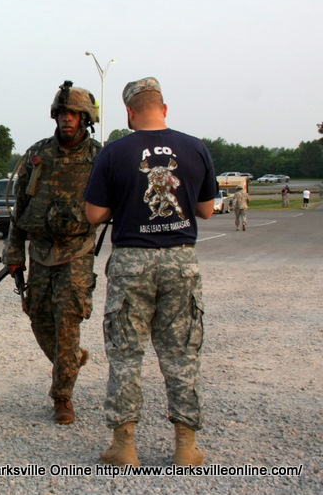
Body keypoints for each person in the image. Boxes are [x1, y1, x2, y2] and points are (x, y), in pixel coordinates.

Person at [84, 77, 216, 467]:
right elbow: (207, 209)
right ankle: (186, 447)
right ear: (164, 108)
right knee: (181, 355)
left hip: (132, 261)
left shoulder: (114, 152)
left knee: (126, 354)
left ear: (129, 112)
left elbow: (94, 214)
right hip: (180, 260)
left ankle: (124, 446)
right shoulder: (195, 148)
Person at [2, 80, 100, 425]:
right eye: (61, 113)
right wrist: (13, 253)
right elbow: (20, 208)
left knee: (67, 320)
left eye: (73, 114)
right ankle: (69, 358)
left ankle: (63, 396)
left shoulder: (99, 158)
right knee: (39, 318)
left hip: (76, 251)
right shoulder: (38, 154)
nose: (66, 119)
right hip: (39, 252)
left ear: (86, 118)